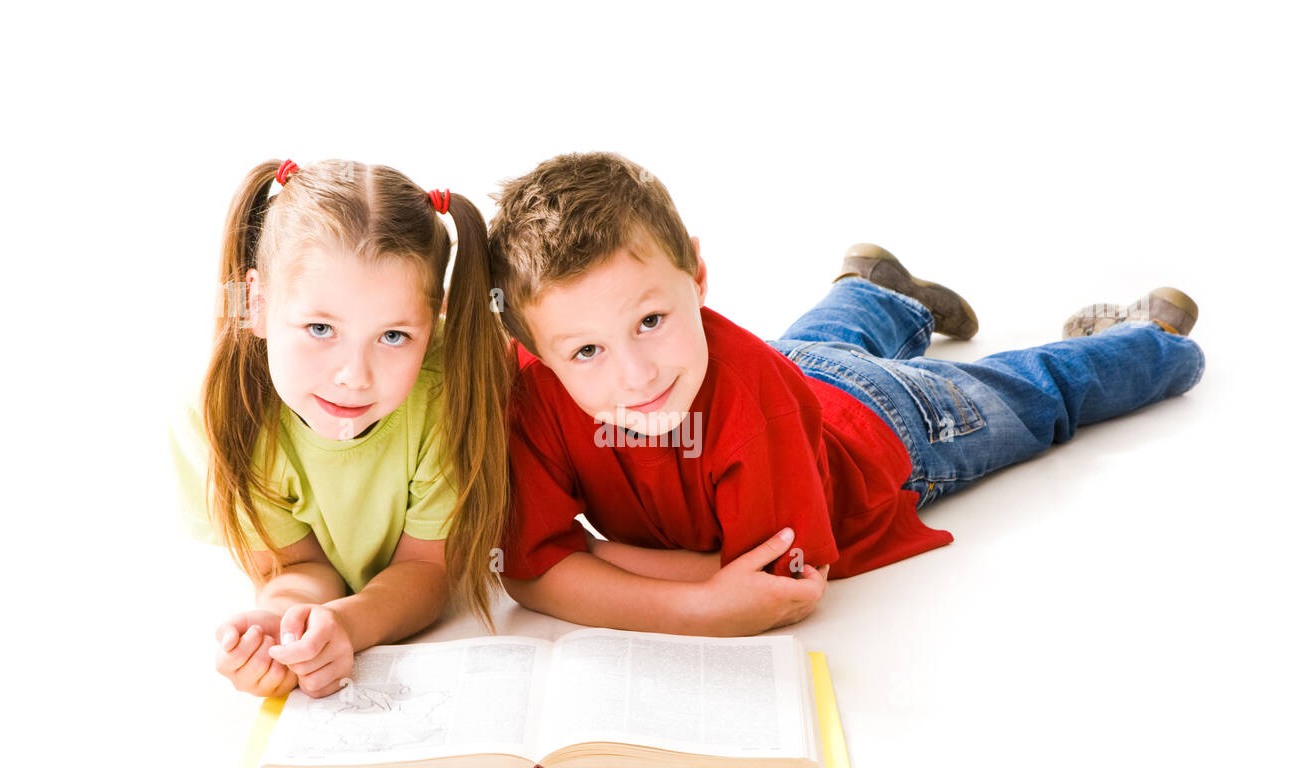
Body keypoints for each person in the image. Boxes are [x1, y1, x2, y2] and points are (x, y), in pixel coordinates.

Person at [487, 151, 1204, 636]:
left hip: (893, 424)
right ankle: (874, 290)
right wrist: (698, 590)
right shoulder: (539, 393)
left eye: (650, 320)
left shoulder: (750, 405)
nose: (636, 375)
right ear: (539, 353)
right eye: (587, 351)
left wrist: (616, 570)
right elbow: (533, 575)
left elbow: (777, 585)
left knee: (1034, 393)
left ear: (697, 277)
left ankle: (1154, 341)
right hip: (795, 367)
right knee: (817, 349)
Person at [169, 159, 513, 697]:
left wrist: (348, 626)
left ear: (435, 321)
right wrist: (285, 623)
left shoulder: (450, 389)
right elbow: (297, 564)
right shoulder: (222, 411)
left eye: (394, 336)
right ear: (256, 302)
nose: (355, 376)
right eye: (320, 328)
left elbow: (426, 567)